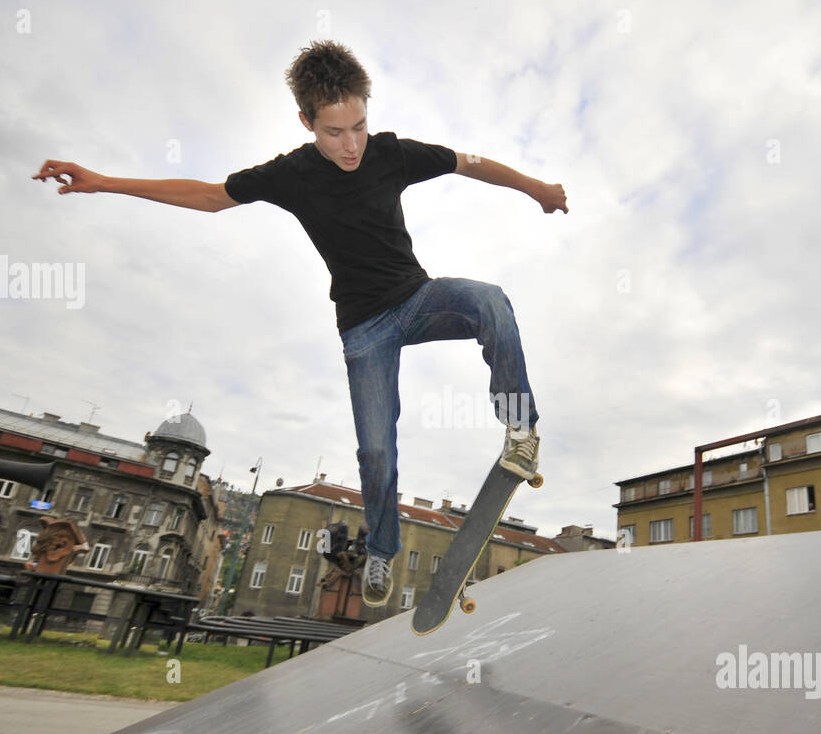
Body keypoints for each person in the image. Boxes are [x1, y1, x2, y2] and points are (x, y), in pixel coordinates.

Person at [32, 40, 567, 607]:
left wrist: (536, 188)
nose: (351, 144)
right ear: (306, 122)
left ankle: (519, 429)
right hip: (364, 330)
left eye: (359, 125)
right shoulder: (291, 174)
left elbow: (469, 164)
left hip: (418, 299)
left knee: (490, 301)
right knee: (376, 452)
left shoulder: (393, 154)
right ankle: (382, 551)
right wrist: (104, 180)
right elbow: (211, 196)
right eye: (334, 132)